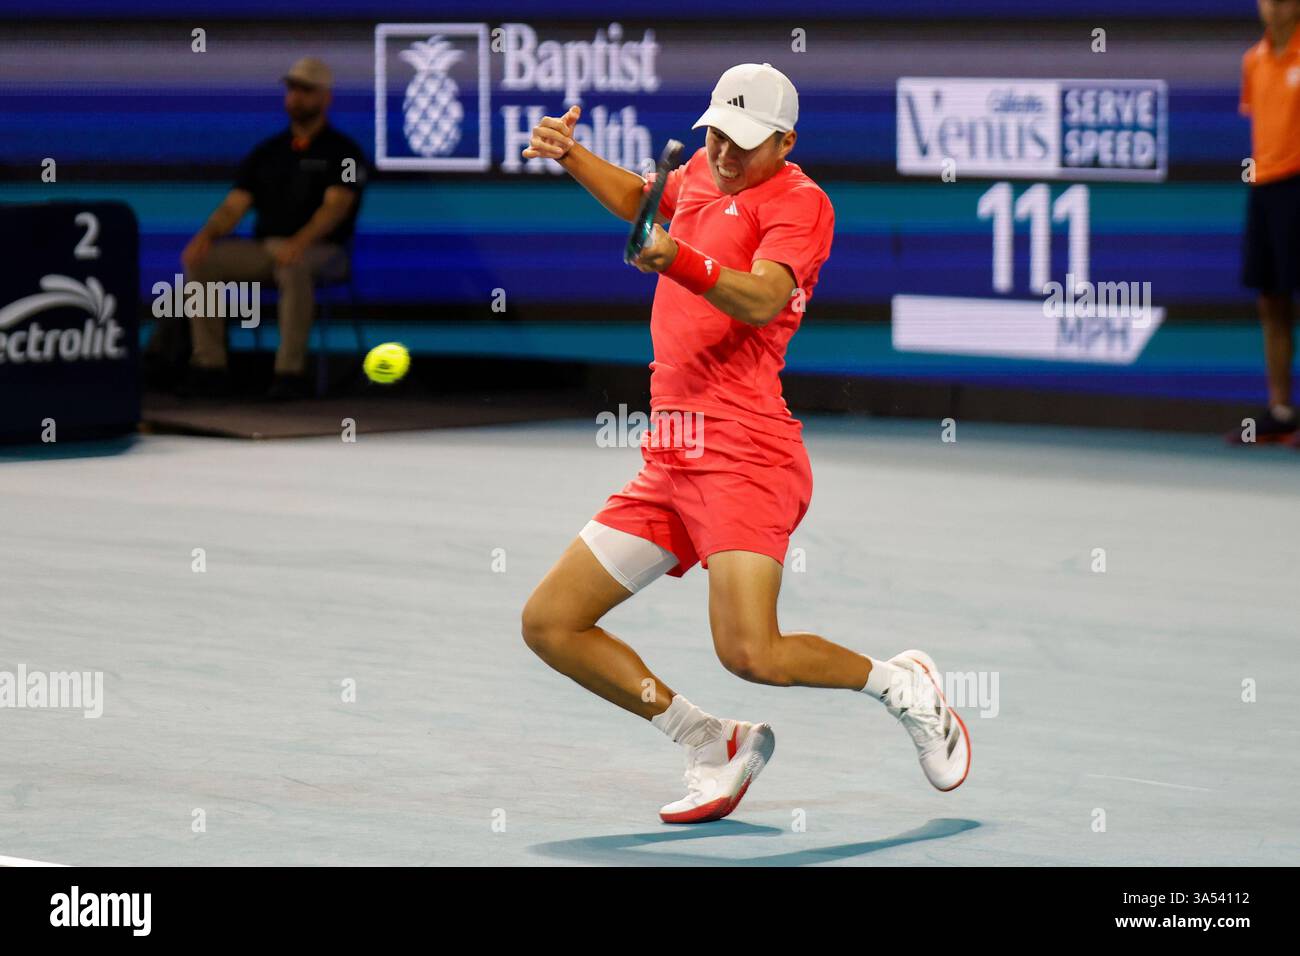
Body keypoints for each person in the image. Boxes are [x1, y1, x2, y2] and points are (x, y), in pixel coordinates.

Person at [519, 63, 970, 824]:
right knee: (550, 623)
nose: (725, 152)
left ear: (786, 141)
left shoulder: (802, 203)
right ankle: (710, 741)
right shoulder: (699, 170)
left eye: (746, 141)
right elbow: (642, 203)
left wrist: (678, 260)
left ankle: (901, 686)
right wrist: (572, 155)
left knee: (750, 653)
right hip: (670, 453)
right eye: (717, 133)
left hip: (745, 453)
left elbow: (762, 297)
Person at [179, 57, 367, 400]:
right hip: (266, 248)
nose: (296, 97)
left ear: (326, 97)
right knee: (202, 262)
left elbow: (336, 207)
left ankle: (289, 373)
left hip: (325, 251)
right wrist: (206, 235)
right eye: (292, 89)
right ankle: (210, 367)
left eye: (306, 90)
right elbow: (234, 205)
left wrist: (300, 241)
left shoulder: (346, 154)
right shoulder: (267, 152)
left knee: (293, 265)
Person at [1239, 0, 1300, 442]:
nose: (1272, 8)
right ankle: (1280, 411)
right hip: (1264, 187)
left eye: (1281, 0)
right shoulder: (1253, 60)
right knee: (1271, 300)